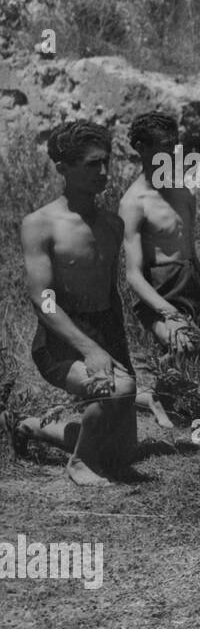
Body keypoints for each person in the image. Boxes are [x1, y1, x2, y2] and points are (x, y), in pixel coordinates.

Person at [8, 121, 138, 485]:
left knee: (122, 453)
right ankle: (79, 464)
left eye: (106, 162)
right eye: (92, 164)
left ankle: (30, 426)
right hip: (60, 340)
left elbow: (110, 294)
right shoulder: (41, 224)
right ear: (64, 168)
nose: (104, 172)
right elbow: (42, 299)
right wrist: (90, 350)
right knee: (119, 390)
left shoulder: (112, 224)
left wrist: (116, 351)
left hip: (106, 333)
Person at [120, 112, 200, 355]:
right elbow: (133, 275)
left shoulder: (184, 191)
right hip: (161, 291)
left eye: (176, 144)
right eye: (166, 146)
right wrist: (169, 313)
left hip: (191, 285)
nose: (174, 152)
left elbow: (190, 248)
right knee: (181, 348)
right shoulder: (134, 203)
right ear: (141, 148)